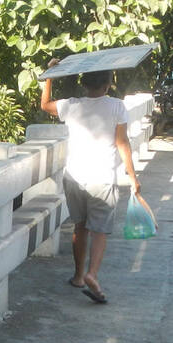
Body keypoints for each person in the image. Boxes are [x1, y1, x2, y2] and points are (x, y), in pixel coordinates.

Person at [40, 61, 140, 304]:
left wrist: (50, 75)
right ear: (107, 84)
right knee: (100, 231)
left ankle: (77, 276)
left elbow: (44, 105)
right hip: (102, 177)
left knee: (80, 227)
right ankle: (92, 274)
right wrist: (133, 177)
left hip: (74, 177)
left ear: (83, 84)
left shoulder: (71, 106)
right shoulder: (117, 106)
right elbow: (122, 143)